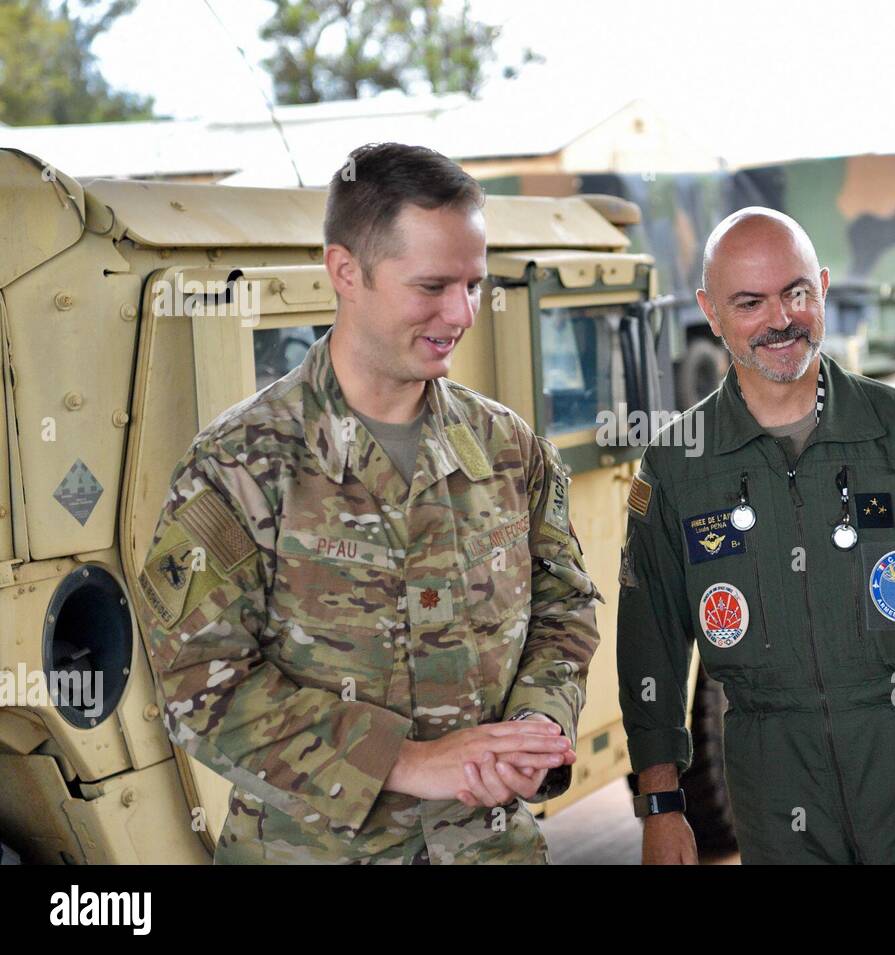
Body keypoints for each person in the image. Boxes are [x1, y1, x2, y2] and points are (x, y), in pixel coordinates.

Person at [137, 143, 601, 864]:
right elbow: (201, 688)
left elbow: (564, 602)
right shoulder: (238, 466)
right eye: (432, 286)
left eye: (474, 285)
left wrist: (536, 724)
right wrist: (408, 761)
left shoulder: (506, 447)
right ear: (345, 271)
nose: (462, 313)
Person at [616, 207, 895, 864]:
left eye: (796, 292)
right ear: (710, 312)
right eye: (750, 302)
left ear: (821, 287)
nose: (780, 319)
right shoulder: (679, 466)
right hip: (777, 793)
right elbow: (650, 644)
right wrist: (661, 804)